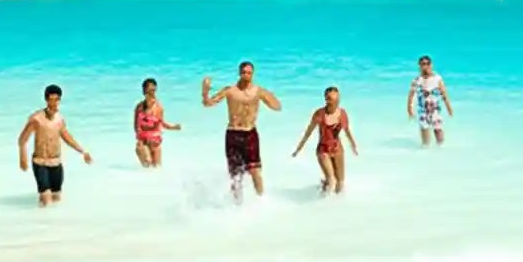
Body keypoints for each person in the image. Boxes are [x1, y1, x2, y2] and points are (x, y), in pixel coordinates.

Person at [201, 61, 282, 202]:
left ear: (253, 74)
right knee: (235, 175)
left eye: (249, 73)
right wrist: (205, 91)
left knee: (255, 170)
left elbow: (277, 106)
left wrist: (270, 96)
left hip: (250, 133)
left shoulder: (258, 91)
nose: (246, 75)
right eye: (244, 72)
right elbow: (208, 104)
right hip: (233, 134)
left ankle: (262, 201)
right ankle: (237, 205)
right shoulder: (229, 90)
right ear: (239, 73)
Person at [17, 84, 93, 207]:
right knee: (46, 199)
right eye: (51, 100)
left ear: (60, 100)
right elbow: (22, 140)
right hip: (40, 162)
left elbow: (67, 137)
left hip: (56, 163)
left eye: (56, 100)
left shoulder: (60, 119)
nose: (54, 103)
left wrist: (82, 151)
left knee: (56, 199)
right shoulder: (36, 119)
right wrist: (22, 158)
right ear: (46, 100)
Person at [292, 86, 358, 195]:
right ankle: (321, 203)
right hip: (323, 149)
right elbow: (308, 132)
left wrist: (353, 145)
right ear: (326, 99)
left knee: (340, 183)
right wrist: (298, 149)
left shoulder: (342, 114)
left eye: (337, 99)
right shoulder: (319, 114)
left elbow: (347, 131)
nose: (336, 102)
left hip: (337, 149)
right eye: (332, 99)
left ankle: (336, 206)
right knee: (332, 180)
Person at [407, 55, 454, 146]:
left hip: (435, 109)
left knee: (438, 131)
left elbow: (444, 94)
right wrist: (409, 109)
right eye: (423, 64)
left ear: (431, 65)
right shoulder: (416, 80)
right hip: (422, 110)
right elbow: (411, 96)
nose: (425, 66)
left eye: (427, 64)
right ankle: (426, 154)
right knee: (425, 137)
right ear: (419, 66)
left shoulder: (437, 79)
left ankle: (440, 150)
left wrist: (449, 108)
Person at [134, 78, 181, 168]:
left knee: (157, 170)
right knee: (147, 164)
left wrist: (173, 127)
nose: (152, 93)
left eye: (154, 90)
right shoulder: (139, 107)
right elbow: (136, 126)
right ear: (144, 91)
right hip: (143, 142)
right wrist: (139, 139)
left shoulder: (158, 107)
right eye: (150, 90)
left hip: (155, 142)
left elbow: (162, 123)